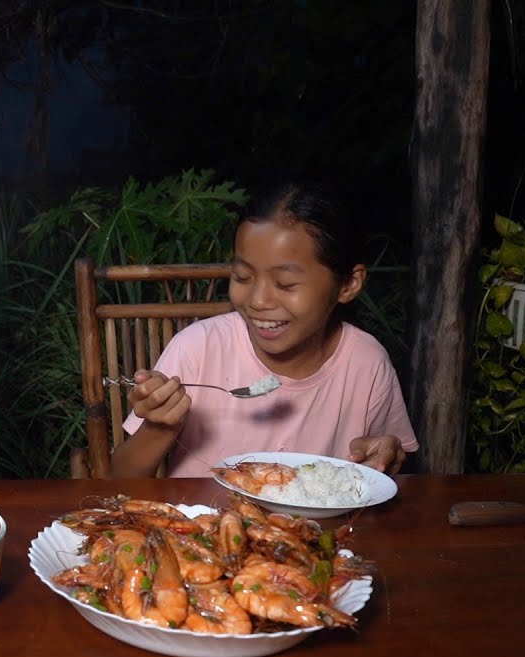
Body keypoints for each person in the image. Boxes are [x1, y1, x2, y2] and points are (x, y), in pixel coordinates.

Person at [109, 181, 418, 479]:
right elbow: (120, 478)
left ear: (348, 284)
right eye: (242, 277)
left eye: (285, 284)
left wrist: (382, 458)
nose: (257, 301)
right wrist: (160, 426)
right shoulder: (197, 349)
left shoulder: (366, 363)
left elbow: (385, 465)